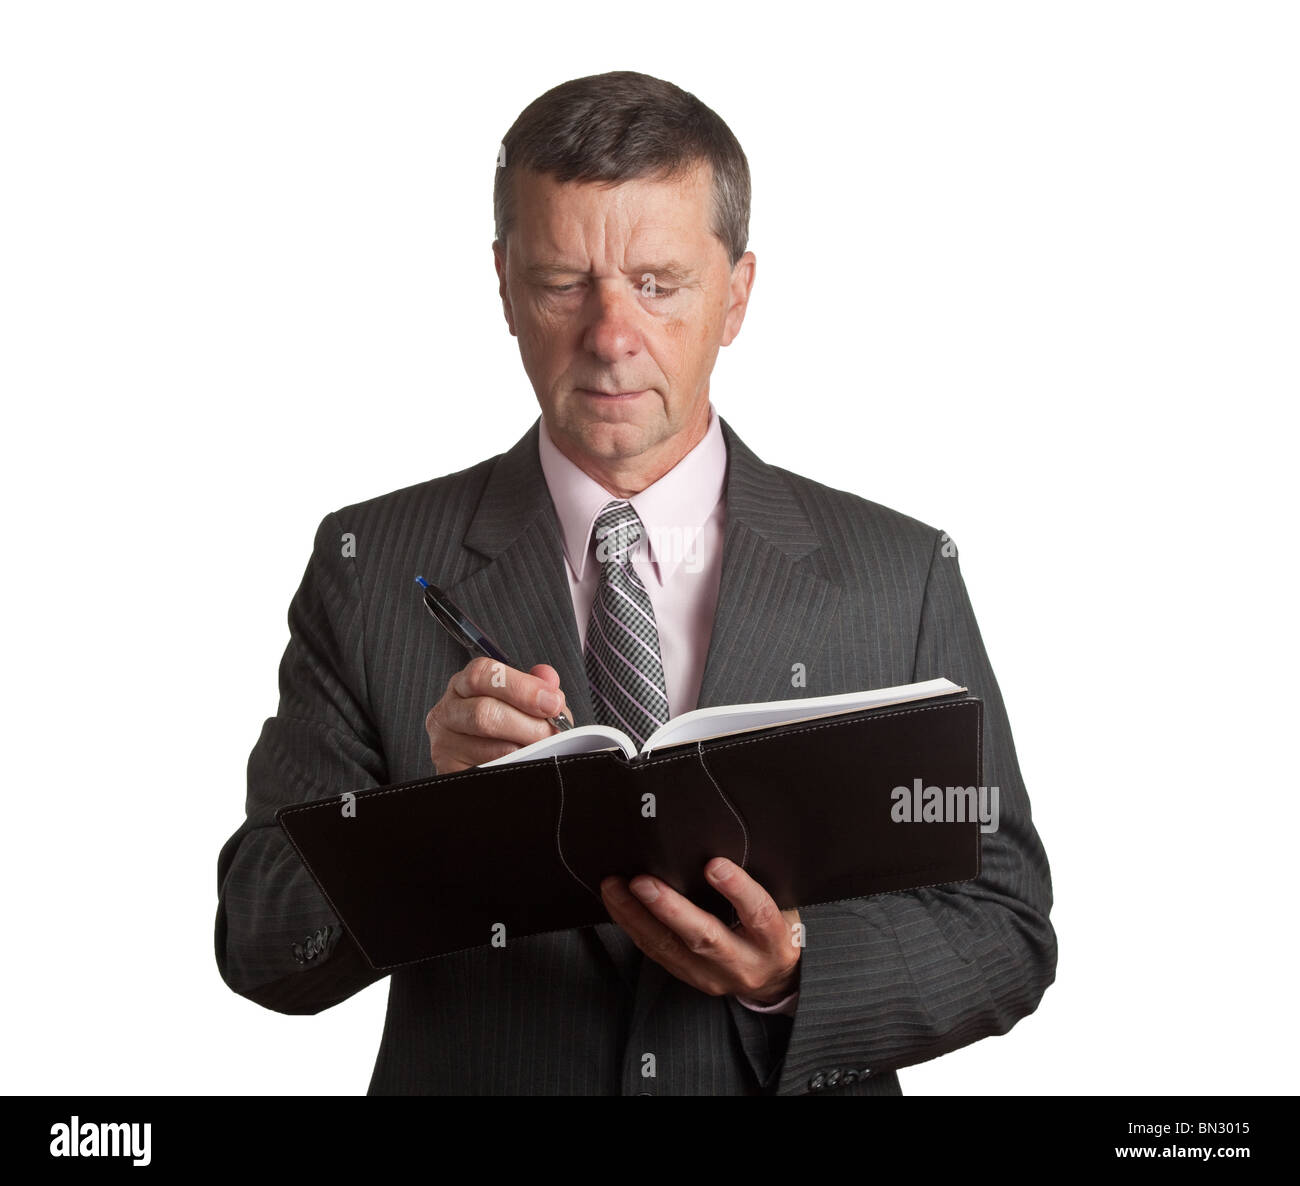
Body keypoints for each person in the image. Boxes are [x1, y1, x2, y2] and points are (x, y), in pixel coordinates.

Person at [214, 70, 1057, 1096]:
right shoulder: (371, 563)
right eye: (564, 282)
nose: (610, 336)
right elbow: (260, 943)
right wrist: (424, 813)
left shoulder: (897, 573)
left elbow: (1004, 926)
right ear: (503, 284)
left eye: (657, 283)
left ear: (737, 295)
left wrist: (793, 969)